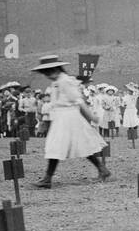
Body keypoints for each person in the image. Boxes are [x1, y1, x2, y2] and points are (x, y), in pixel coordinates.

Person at [29, 55, 110, 187]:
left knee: (61, 145)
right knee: (64, 146)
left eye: (49, 73)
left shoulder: (65, 81)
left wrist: (91, 116)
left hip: (69, 117)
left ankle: (48, 179)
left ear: (56, 69)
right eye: (46, 74)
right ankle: (102, 169)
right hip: (60, 117)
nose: (48, 76)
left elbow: (78, 100)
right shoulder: (57, 81)